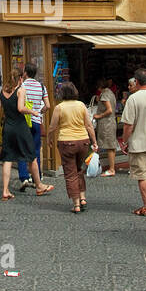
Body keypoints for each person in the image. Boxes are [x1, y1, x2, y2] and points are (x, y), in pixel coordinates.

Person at [0, 66, 54, 201]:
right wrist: (33, 111)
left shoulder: (2, 91)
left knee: (7, 159)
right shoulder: (21, 90)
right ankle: (39, 186)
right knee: (31, 155)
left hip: (7, 127)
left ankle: (5, 190)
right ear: (20, 78)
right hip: (20, 127)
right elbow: (21, 108)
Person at [47, 81, 98, 214]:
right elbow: (88, 125)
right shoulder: (81, 105)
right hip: (83, 141)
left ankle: (76, 203)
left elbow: (52, 126)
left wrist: (49, 138)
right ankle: (82, 197)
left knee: (70, 173)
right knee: (79, 170)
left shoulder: (59, 107)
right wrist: (94, 141)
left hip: (66, 141)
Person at [119, 66, 146, 216]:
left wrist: (125, 141)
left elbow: (128, 125)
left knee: (142, 175)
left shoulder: (133, 98)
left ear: (136, 81)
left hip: (139, 141)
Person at [17, 64, 49, 190]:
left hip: (24, 121)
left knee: (22, 150)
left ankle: (24, 177)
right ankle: (38, 176)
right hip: (36, 121)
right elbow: (48, 105)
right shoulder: (41, 86)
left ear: (25, 73)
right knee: (35, 150)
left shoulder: (22, 86)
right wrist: (39, 112)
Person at [91, 76, 118, 176]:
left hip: (107, 123)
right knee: (111, 145)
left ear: (99, 87)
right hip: (111, 122)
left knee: (110, 146)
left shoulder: (105, 95)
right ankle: (112, 168)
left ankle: (111, 169)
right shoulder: (110, 92)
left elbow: (109, 109)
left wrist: (99, 115)